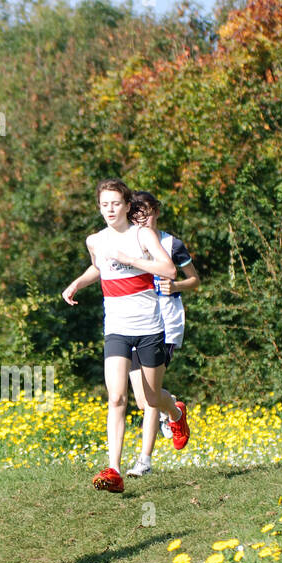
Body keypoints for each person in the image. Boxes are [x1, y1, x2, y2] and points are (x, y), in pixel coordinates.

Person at [61, 180, 189, 492]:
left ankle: (175, 411)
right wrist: (77, 282)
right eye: (104, 205)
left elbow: (169, 270)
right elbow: (100, 269)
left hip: (149, 328)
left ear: (126, 204)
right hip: (116, 329)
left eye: (115, 204)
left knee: (150, 399)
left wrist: (133, 259)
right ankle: (114, 470)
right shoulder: (95, 240)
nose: (109, 210)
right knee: (117, 397)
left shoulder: (141, 234)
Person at [124, 191, 199, 476]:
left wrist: (177, 286)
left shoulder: (171, 244)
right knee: (144, 400)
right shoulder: (128, 244)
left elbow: (195, 280)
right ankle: (176, 412)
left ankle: (144, 462)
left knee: (151, 397)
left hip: (165, 324)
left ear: (156, 211)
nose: (141, 219)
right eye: (135, 214)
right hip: (134, 323)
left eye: (146, 212)